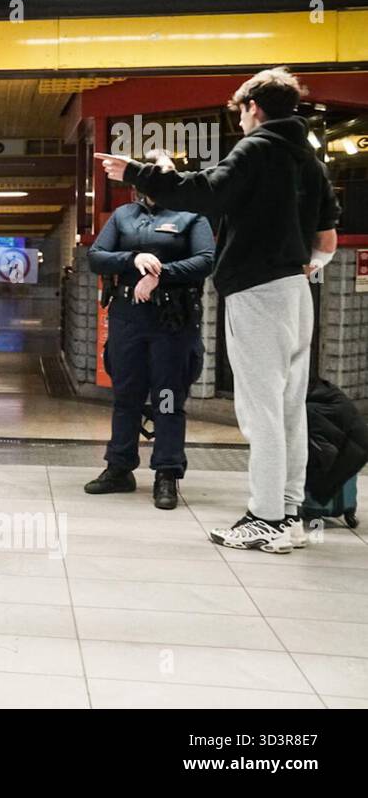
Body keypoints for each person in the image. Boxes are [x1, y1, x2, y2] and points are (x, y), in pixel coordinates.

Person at [99, 67, 340, 553]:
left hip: (260, 290)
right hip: (296, 291)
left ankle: (266, 517)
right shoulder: (307, 157)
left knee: (261, 410)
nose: (242, 121)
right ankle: (290, 512)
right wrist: (307, 266)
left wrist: (137, 173)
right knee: (290, 408)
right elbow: (327, 235)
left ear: (253, 107)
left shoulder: (258, 147)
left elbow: (205, 192)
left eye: (241, 112)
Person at [86, 151, 215, 510]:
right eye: (155, 172)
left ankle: (167, 473)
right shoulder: (124, 216)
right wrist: (132, 259)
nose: (160, 179)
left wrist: (160, 276)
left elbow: (205, 261)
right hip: (129, 317)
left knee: (168, 399)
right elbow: (96, 256)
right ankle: (119, 468)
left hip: (172, 322)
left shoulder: (192, 215)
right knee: (125, 396)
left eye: (167, 173)